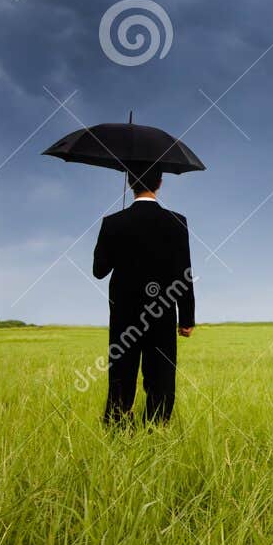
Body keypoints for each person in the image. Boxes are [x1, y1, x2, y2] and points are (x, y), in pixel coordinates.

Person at [92, 167, 195, 427]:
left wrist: (115, 243)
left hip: (124, 313)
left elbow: (99, 271)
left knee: (121, 373)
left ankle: (117, 430)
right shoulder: (177, 221)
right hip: (162, 312)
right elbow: (184, 274)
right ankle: (156, 430)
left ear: (129, 184)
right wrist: (187, 318)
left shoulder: (112, 222)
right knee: (161, 375)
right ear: (160, 183)